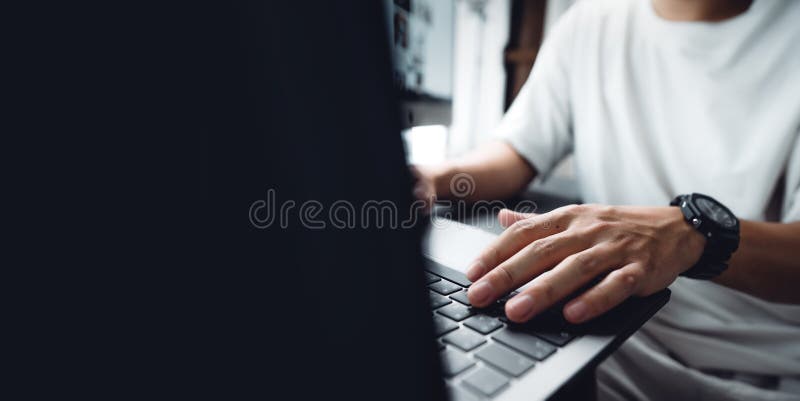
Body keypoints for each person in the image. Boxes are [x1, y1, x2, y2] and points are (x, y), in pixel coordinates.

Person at [414, 0, 800, 399]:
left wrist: (689, 235)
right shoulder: (590, 21)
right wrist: (430, 177)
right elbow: (517, 152)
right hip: (606, 339)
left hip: (757, 371)